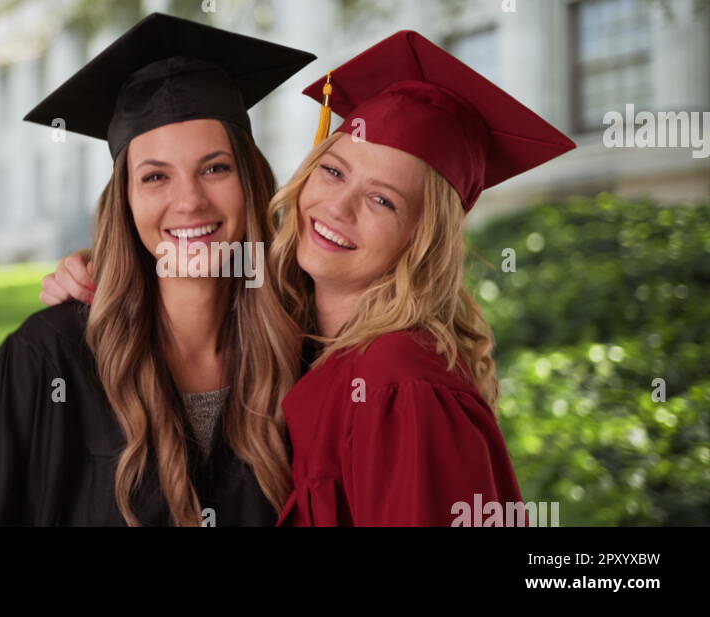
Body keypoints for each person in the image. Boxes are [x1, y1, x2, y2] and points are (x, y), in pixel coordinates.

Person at [42, 30, 576, 526]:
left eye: (382, 200)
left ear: (423, 239)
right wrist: (102, 270)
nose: (337, 208)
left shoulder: (399, 386)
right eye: (334, 170)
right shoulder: (298, 333)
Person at [0, 13, 315, 526]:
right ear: (125, 202)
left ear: (251, 182)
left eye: (215, 168)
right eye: (154, 177)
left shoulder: (302, 351)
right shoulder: (51, 358)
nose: (189, 201)